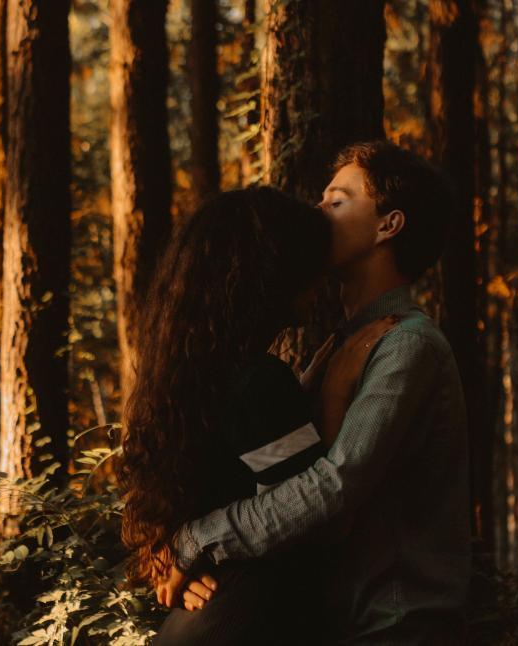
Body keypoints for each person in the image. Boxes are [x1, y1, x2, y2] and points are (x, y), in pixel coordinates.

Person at [158, 141, 472, 644]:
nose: (318, 210)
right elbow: (278, 477)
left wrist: (198, 540)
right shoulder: (340, 345)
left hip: (394, 627)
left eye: (337, 201)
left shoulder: (408, 344)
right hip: (336, 623)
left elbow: (333, 486)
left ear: (388, 225)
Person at [120, 186, 394, 645]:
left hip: (200, 623)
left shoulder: (195, 376)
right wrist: (338, 389)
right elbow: (312, 513)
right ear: (273, 276)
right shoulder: (260, 382)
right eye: (309, 269)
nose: (320, 285)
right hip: (247, 620)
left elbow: (249, 465)